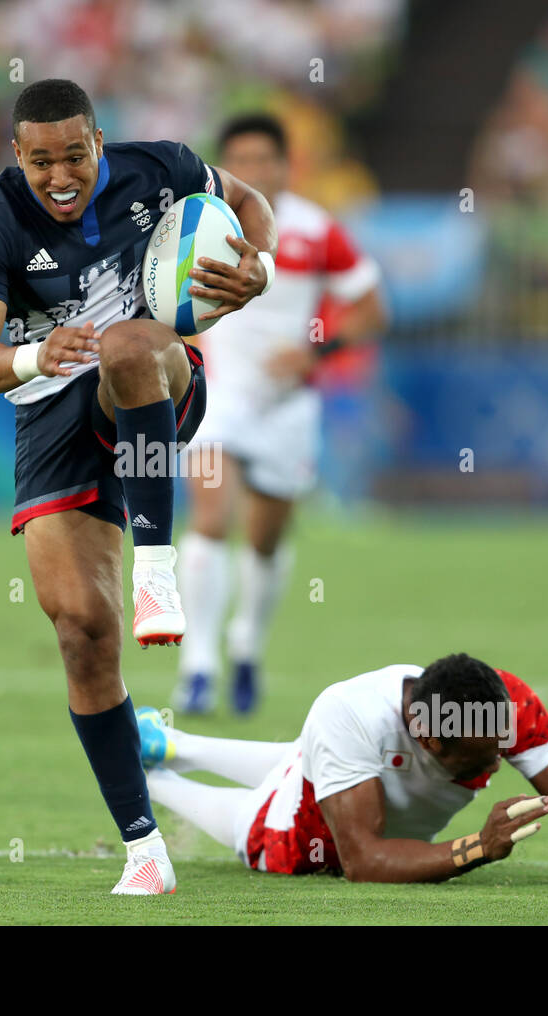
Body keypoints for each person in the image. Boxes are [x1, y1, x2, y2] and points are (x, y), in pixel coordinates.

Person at [0, 79, 278, 894]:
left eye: (74, 155)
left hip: (156, 383)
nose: (60, 176)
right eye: (40, 161)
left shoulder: (160, 168)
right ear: (16, 156)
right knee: (83, 634)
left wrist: (257, 265)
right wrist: (35, 356)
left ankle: (157, 576)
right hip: (50, 415)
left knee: (131, 344)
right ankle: (144, 847)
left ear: (98, 141)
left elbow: (251, 202)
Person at [139, 653, 548, 887]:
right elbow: (363, 861)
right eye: (482, 760)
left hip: (333, 765)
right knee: (268, 828)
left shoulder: (500, 709)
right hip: (310, 833)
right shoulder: (351, 715)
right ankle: (148, 773)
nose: (500, 763)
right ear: (425, 738)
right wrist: (477, 846)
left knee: (303, 761)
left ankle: (168, 741)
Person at [174, 113, 386, 715]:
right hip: (216, 396)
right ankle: (198, 668)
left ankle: (246, 645)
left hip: (287, 407)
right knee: (211, 519)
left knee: (265, 542)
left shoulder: (318, 232)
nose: (256, 171)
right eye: (241, 160)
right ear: (224, 168)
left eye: (266, 159)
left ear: (286, 165)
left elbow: (372, 311)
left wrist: (316, 351)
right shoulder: (198, 225)